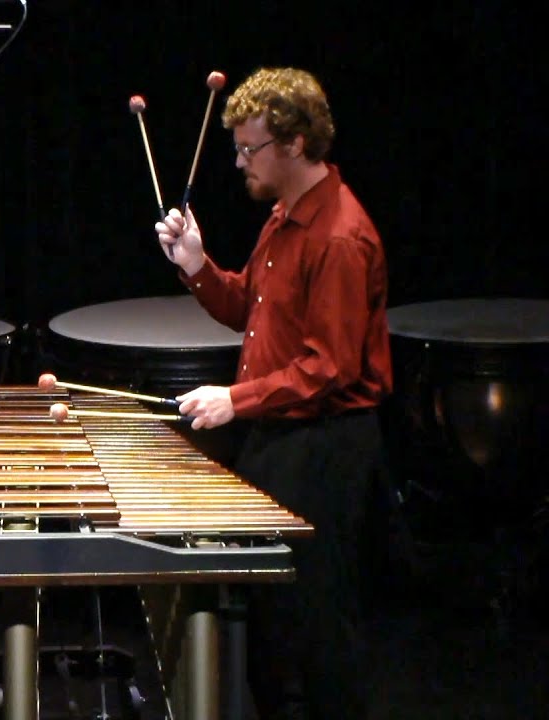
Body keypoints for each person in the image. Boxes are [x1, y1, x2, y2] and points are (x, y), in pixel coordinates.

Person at [154, 67, 391, 720]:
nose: (237, 163)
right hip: (283, 436)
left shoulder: (339, 237)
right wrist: (199, 266)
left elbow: (330, 368)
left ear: (293, 144)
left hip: (325, 448)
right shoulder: (283, 218)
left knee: (319, 633)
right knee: (274, 628)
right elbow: (250, 315)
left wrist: (236, 400)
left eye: (248, 149)